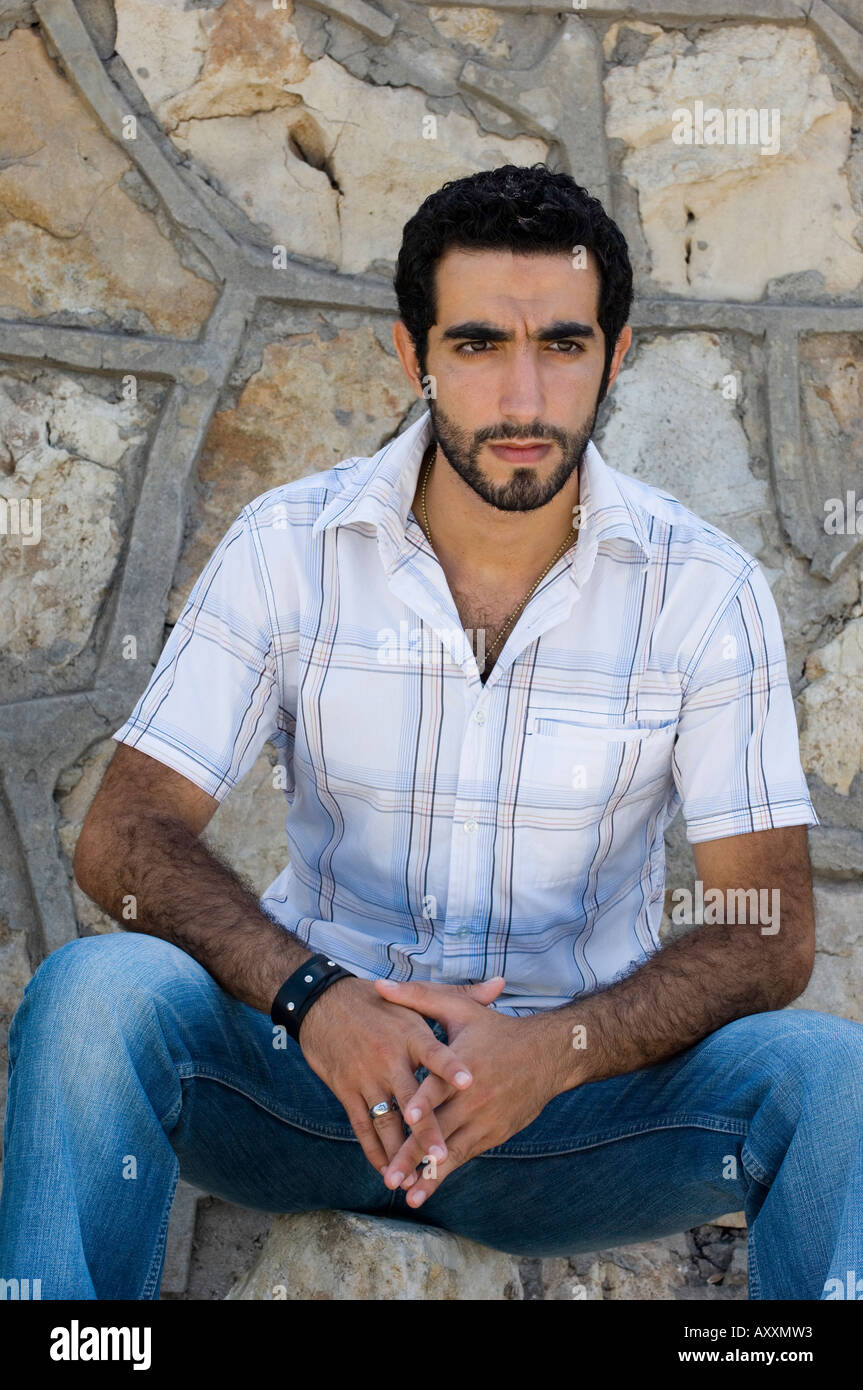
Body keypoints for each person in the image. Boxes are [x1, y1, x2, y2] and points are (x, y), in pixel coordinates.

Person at [1, 164, 859, 1302]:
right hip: (298, 1088)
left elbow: (769, 928)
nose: (521, 397)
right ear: (411, 358)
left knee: (834, 1081)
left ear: (614, 353)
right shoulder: (287, 546)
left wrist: (555, 1053)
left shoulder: (702, 591)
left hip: (564, 1122)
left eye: (560, 345)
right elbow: (122, 840)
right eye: (473, 346)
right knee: (93, 995)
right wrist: (314, 999)